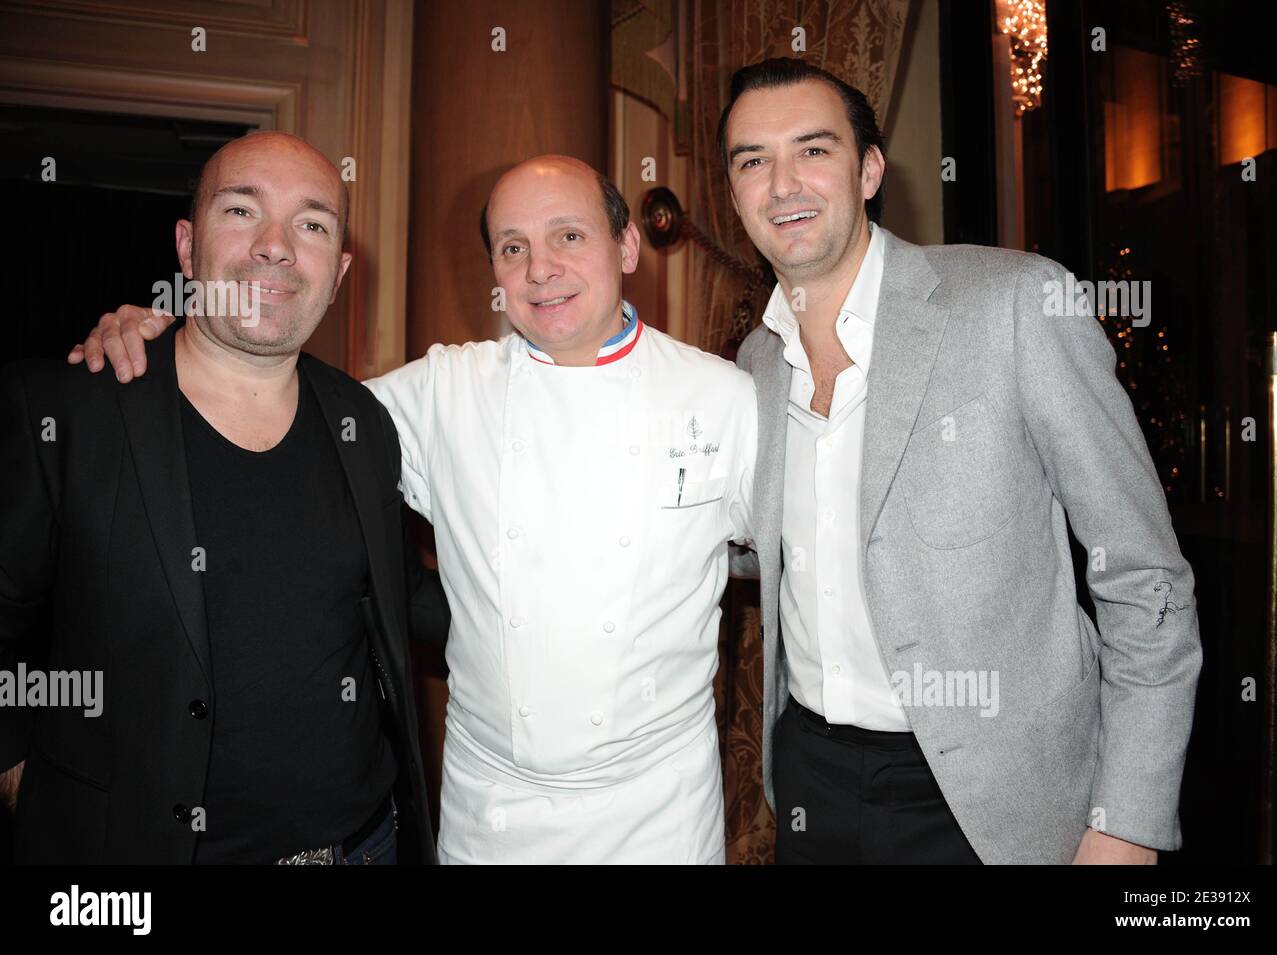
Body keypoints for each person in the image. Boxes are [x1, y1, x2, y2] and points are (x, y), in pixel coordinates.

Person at [68, 154, 758, 864]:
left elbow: (781, 556)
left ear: (627, 246)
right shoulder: (444, 390)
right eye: (512, 248)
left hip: (660, 810)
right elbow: (276, 400)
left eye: (570, 237)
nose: (540, 269)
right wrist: (168, 334)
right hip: (494, 813)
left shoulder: (724, 398)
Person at [721, 57, 1202, 864]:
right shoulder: (753, 365)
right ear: (733, 192)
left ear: (869, 169)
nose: (782, 184)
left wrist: (1127, 820)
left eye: (812, 150)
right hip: (811, 781)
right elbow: (759, 550)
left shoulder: (1014, 304)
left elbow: (1146, 577)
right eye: (751, 161)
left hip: (994, 803)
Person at [0, 131, 450, 864]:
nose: (275, 246)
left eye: (311, 224)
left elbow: (395, 593)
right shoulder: (66, 409)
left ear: (336, 273)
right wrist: (32, 783)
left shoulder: (361, 420)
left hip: (367, 845)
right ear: (186, 246)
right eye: (242, 211)